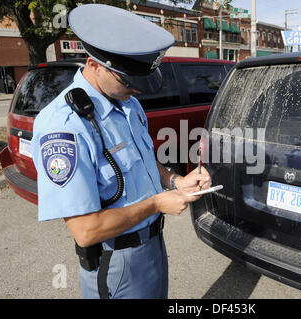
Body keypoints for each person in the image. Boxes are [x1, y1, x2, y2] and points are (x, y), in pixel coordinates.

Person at [31, 4, 211, 299]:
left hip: (152, 247)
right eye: (128, 81)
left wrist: (175, 181)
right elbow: (86, 230)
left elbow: (141, 161)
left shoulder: (127, 103)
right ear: (94, 65)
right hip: (116, 260)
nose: (136, 90)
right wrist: (155, 204)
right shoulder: (65, 126)